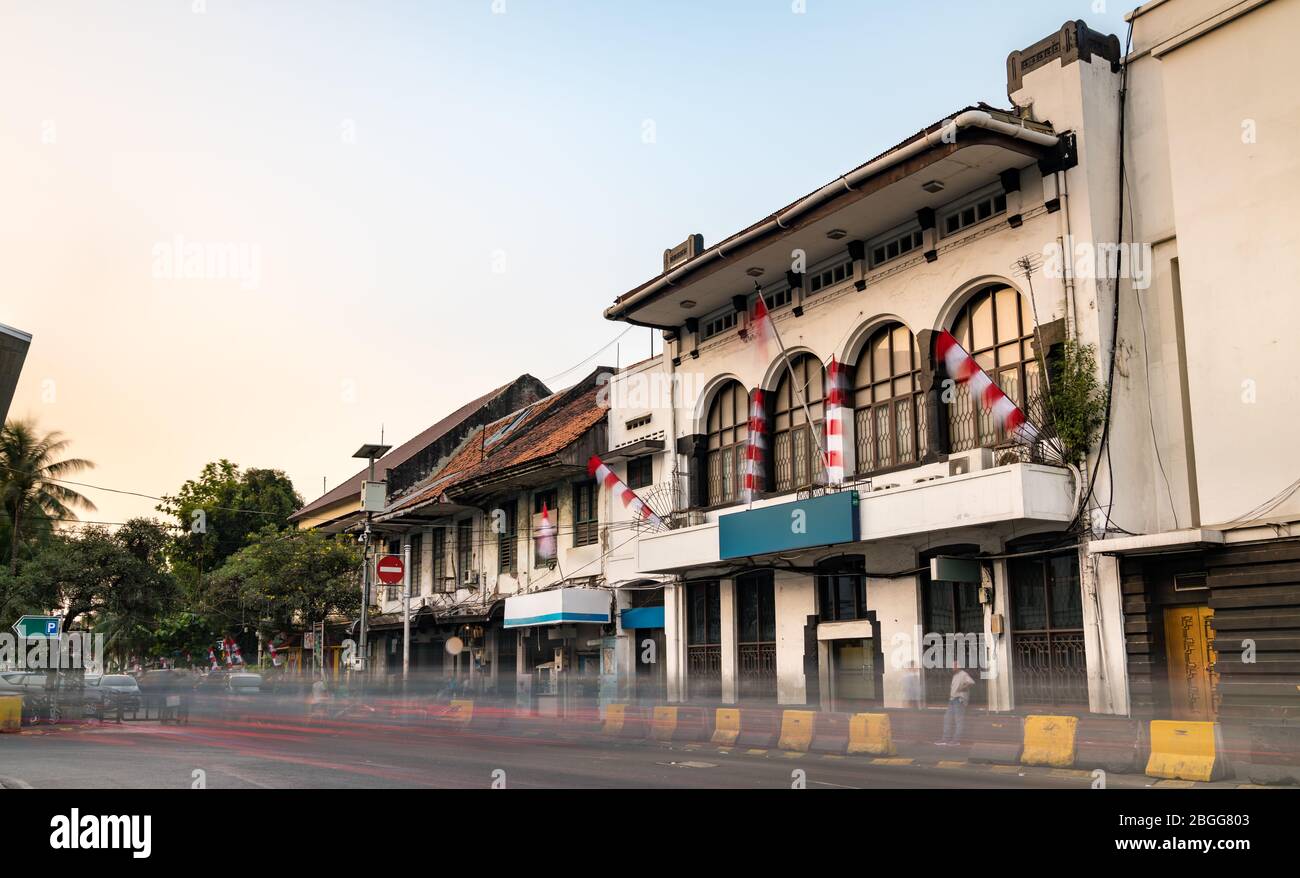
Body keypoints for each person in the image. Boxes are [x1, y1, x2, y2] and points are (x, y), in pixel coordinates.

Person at [937, 661, 976, 746]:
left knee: (958, 720)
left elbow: (971, 682)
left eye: (954, 666)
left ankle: (956, 740)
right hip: (952, 699)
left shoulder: (963, 674)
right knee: (947, 718)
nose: (952, 667)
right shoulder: (955, 675)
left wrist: (962, 688)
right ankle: (945, 739)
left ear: (958, 666)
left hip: (959, 700)